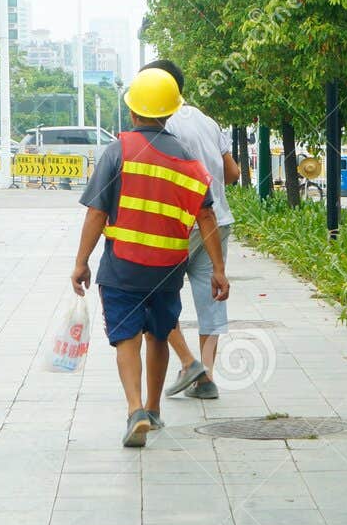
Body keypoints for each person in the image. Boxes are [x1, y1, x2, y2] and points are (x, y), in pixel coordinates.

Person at [71, 67, 230, 449]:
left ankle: (134, 409)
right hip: (168, 267)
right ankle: (155, 409)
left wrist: (81, 261)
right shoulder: (190, 161)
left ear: (132, 112)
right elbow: (206, 215)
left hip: (123, 264)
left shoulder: (118, 151)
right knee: (159, 333)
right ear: (170, 112)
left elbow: (96, 212)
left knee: (127, 335)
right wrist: (219, 271)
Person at [134, 59, 241, 402]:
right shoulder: (207, 120)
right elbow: (233, 173)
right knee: (211, 298)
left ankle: (188, 361)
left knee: (152, 295)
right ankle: (205, 377)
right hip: (218, 220)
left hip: (177, 224)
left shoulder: (159, 125)